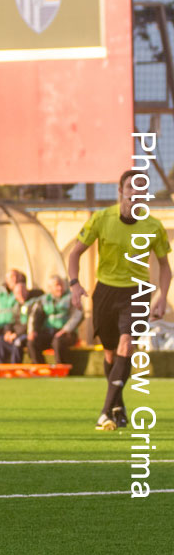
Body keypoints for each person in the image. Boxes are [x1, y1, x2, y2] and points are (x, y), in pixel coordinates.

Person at [68, 170, 171, 430]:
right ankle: (118, 405)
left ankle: (104, 412)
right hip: (105, 292)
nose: (135, 193)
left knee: (127, 345)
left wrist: (162, 297)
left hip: (137, 292)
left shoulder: (153, 226)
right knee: (111, 354)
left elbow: (165, 267)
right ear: (121, 190)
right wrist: (74, 284)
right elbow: (75, 254)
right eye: (130, 187)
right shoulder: (101, 219)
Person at [27, 275, 82, 364]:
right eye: (56, 285)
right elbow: (34, 316)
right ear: (50, 287)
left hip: (67, 333)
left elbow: (78, 315)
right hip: (49, 332)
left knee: (58, 341)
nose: (59, 288)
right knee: (32, 342)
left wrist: (65, 330)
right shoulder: (43, 299)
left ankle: (61, 367)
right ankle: (40, 368)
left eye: (61, 285)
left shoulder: (72, 297)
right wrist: (31, 331)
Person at [0, 279, 30, 364]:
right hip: (14, 334)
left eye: (22, 292)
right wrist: (8, 332)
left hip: (25, 334)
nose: (20, 294)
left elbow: (30, 324)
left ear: (26, 292)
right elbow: (10, 321)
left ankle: (15, 368)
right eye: (18, 293)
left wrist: (16, 335)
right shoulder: (16, 307)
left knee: (18, 342)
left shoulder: (31, 304)